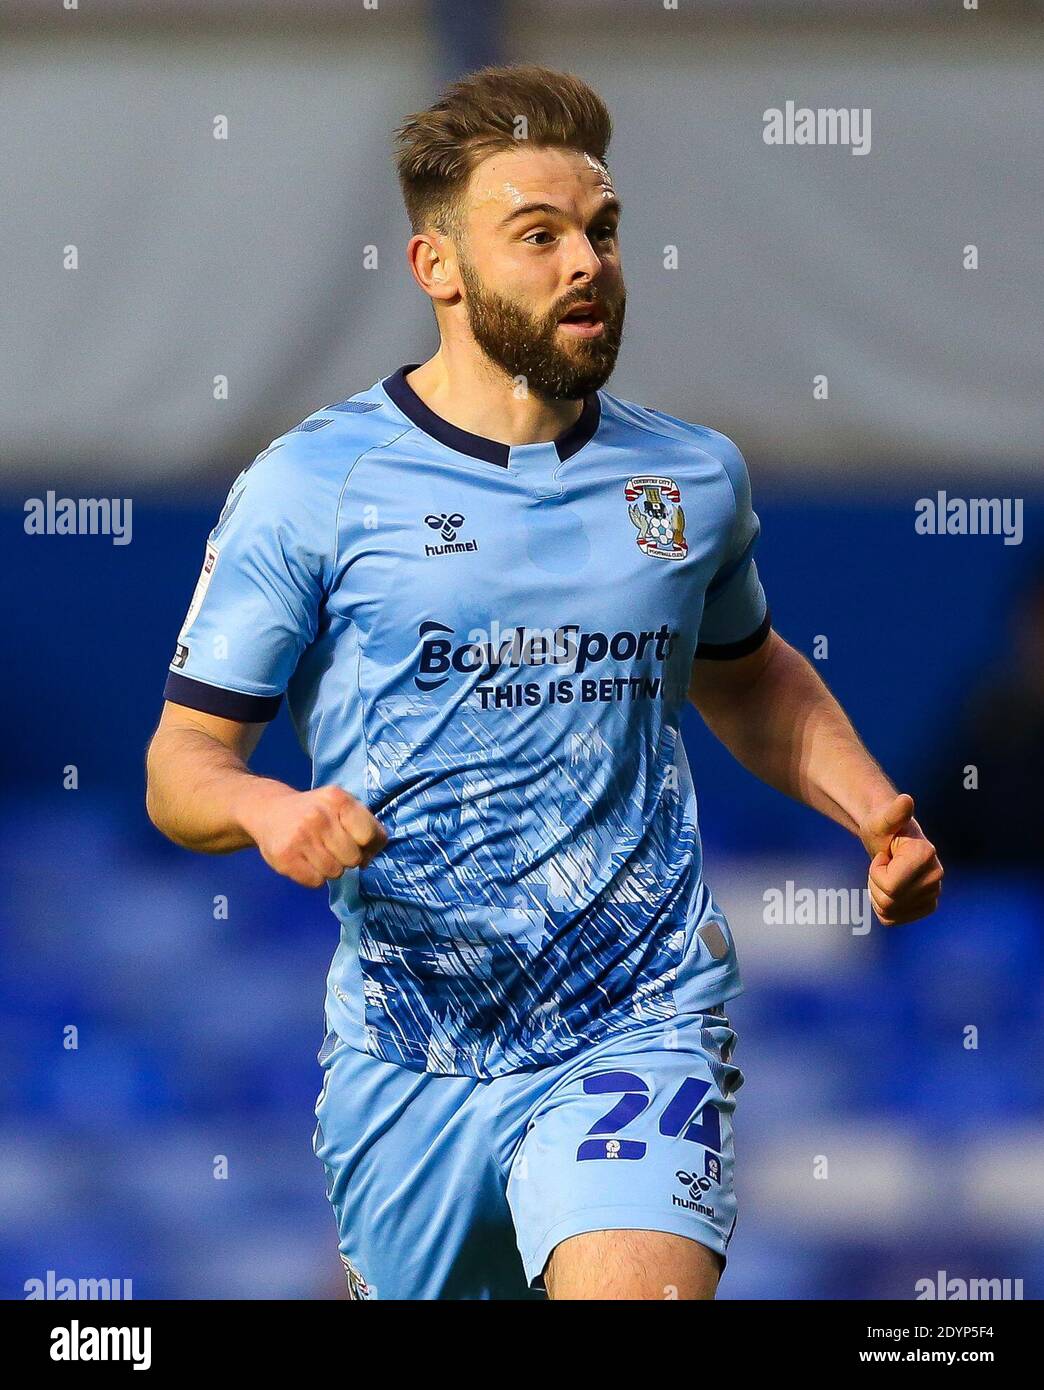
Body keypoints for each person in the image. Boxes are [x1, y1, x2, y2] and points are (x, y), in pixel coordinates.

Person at [145, 65, 943, 1300]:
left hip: (642, 1018)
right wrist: (267, 809)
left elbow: (746, 677)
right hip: (409, 1054)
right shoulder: (314, 487)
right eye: (541, 234)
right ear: (438, 270)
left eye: (603, 230)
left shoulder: (692, 480)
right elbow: (181, 767)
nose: (588, 260)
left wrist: (871, 809)